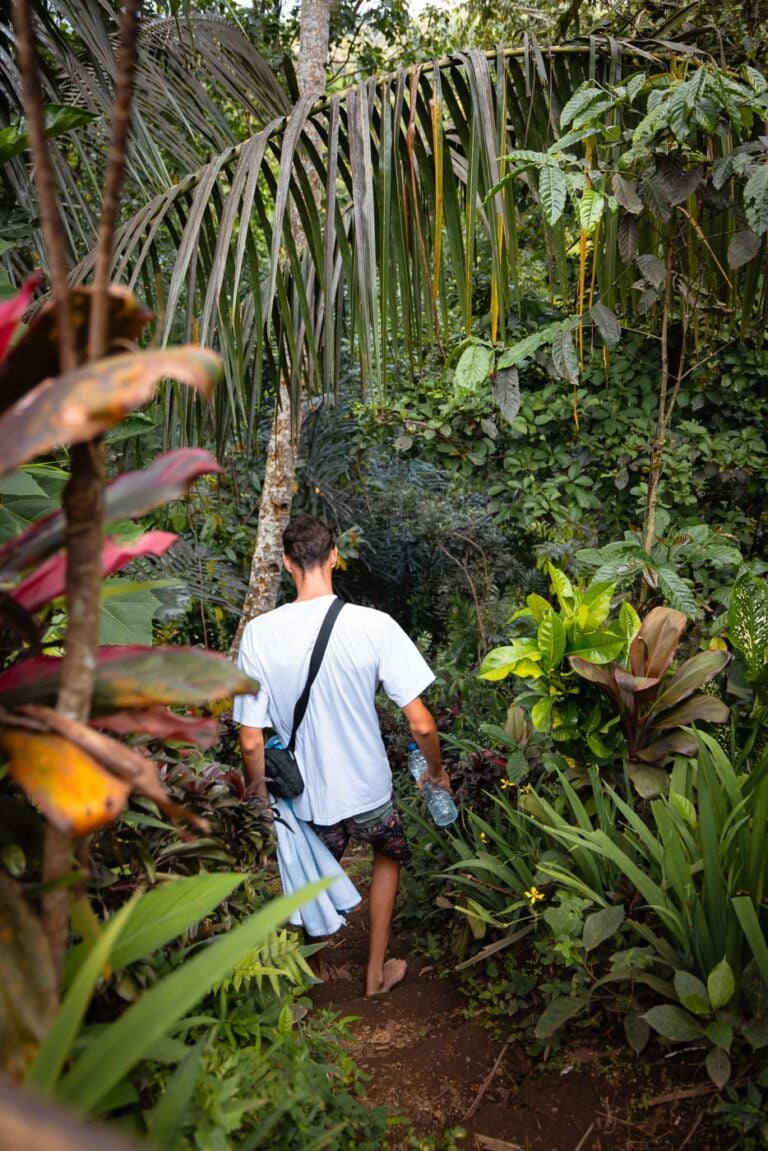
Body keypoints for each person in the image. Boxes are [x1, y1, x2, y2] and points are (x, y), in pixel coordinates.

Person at [233, 515, 451, 996]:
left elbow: (251, 738)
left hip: (307, 796)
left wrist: (259, 797)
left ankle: (318, 967)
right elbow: (421, 722)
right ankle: (375, 975)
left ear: (287, 562)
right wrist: (436, 773)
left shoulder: (260, 634)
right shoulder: (374, 626)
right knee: (386, 855)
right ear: (334, 556)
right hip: (369, 786)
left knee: (313, 870)